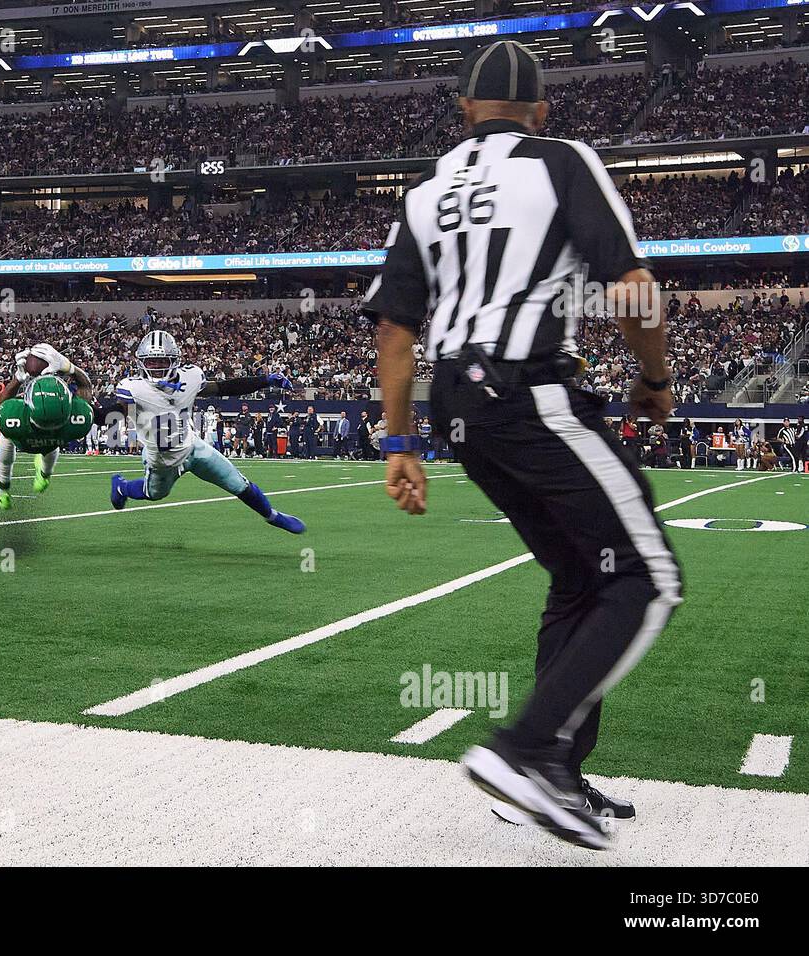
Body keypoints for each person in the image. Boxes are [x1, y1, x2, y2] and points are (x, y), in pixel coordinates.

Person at [366, 40, 681, 851]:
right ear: (541, 110)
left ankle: (557, 774)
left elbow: (398, 331)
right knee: (647, 577)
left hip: (458, 404)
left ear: (464, 111)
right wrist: (653, 377)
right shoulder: (559, 160)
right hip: (530, 387)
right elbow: (635, 288)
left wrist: (400, 441)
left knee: (581, 576)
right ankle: (528, 752)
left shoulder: (427, 188)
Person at [104, 330, 305, 534]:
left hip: (193, 447)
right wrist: (87, 414)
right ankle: (122, 487)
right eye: (151, 361)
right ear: (141, 362)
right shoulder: (133, 389)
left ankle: (272, 515)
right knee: (154, 493)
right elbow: (114, 413)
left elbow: (223, 388)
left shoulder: (190, 377)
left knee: (238, 483)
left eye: (161, 360)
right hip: (163, 460)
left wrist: (265, 380)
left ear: (173, 360)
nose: (156, 366)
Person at [0, 344, 94, 510]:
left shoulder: (14, 418)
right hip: (53, 442)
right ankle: (45, 475)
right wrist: (68, 367)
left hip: (25, 437)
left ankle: (3, 487)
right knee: (50, 447)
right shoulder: (79, 421)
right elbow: (86, 386)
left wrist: (18, 378)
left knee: (6, 437)